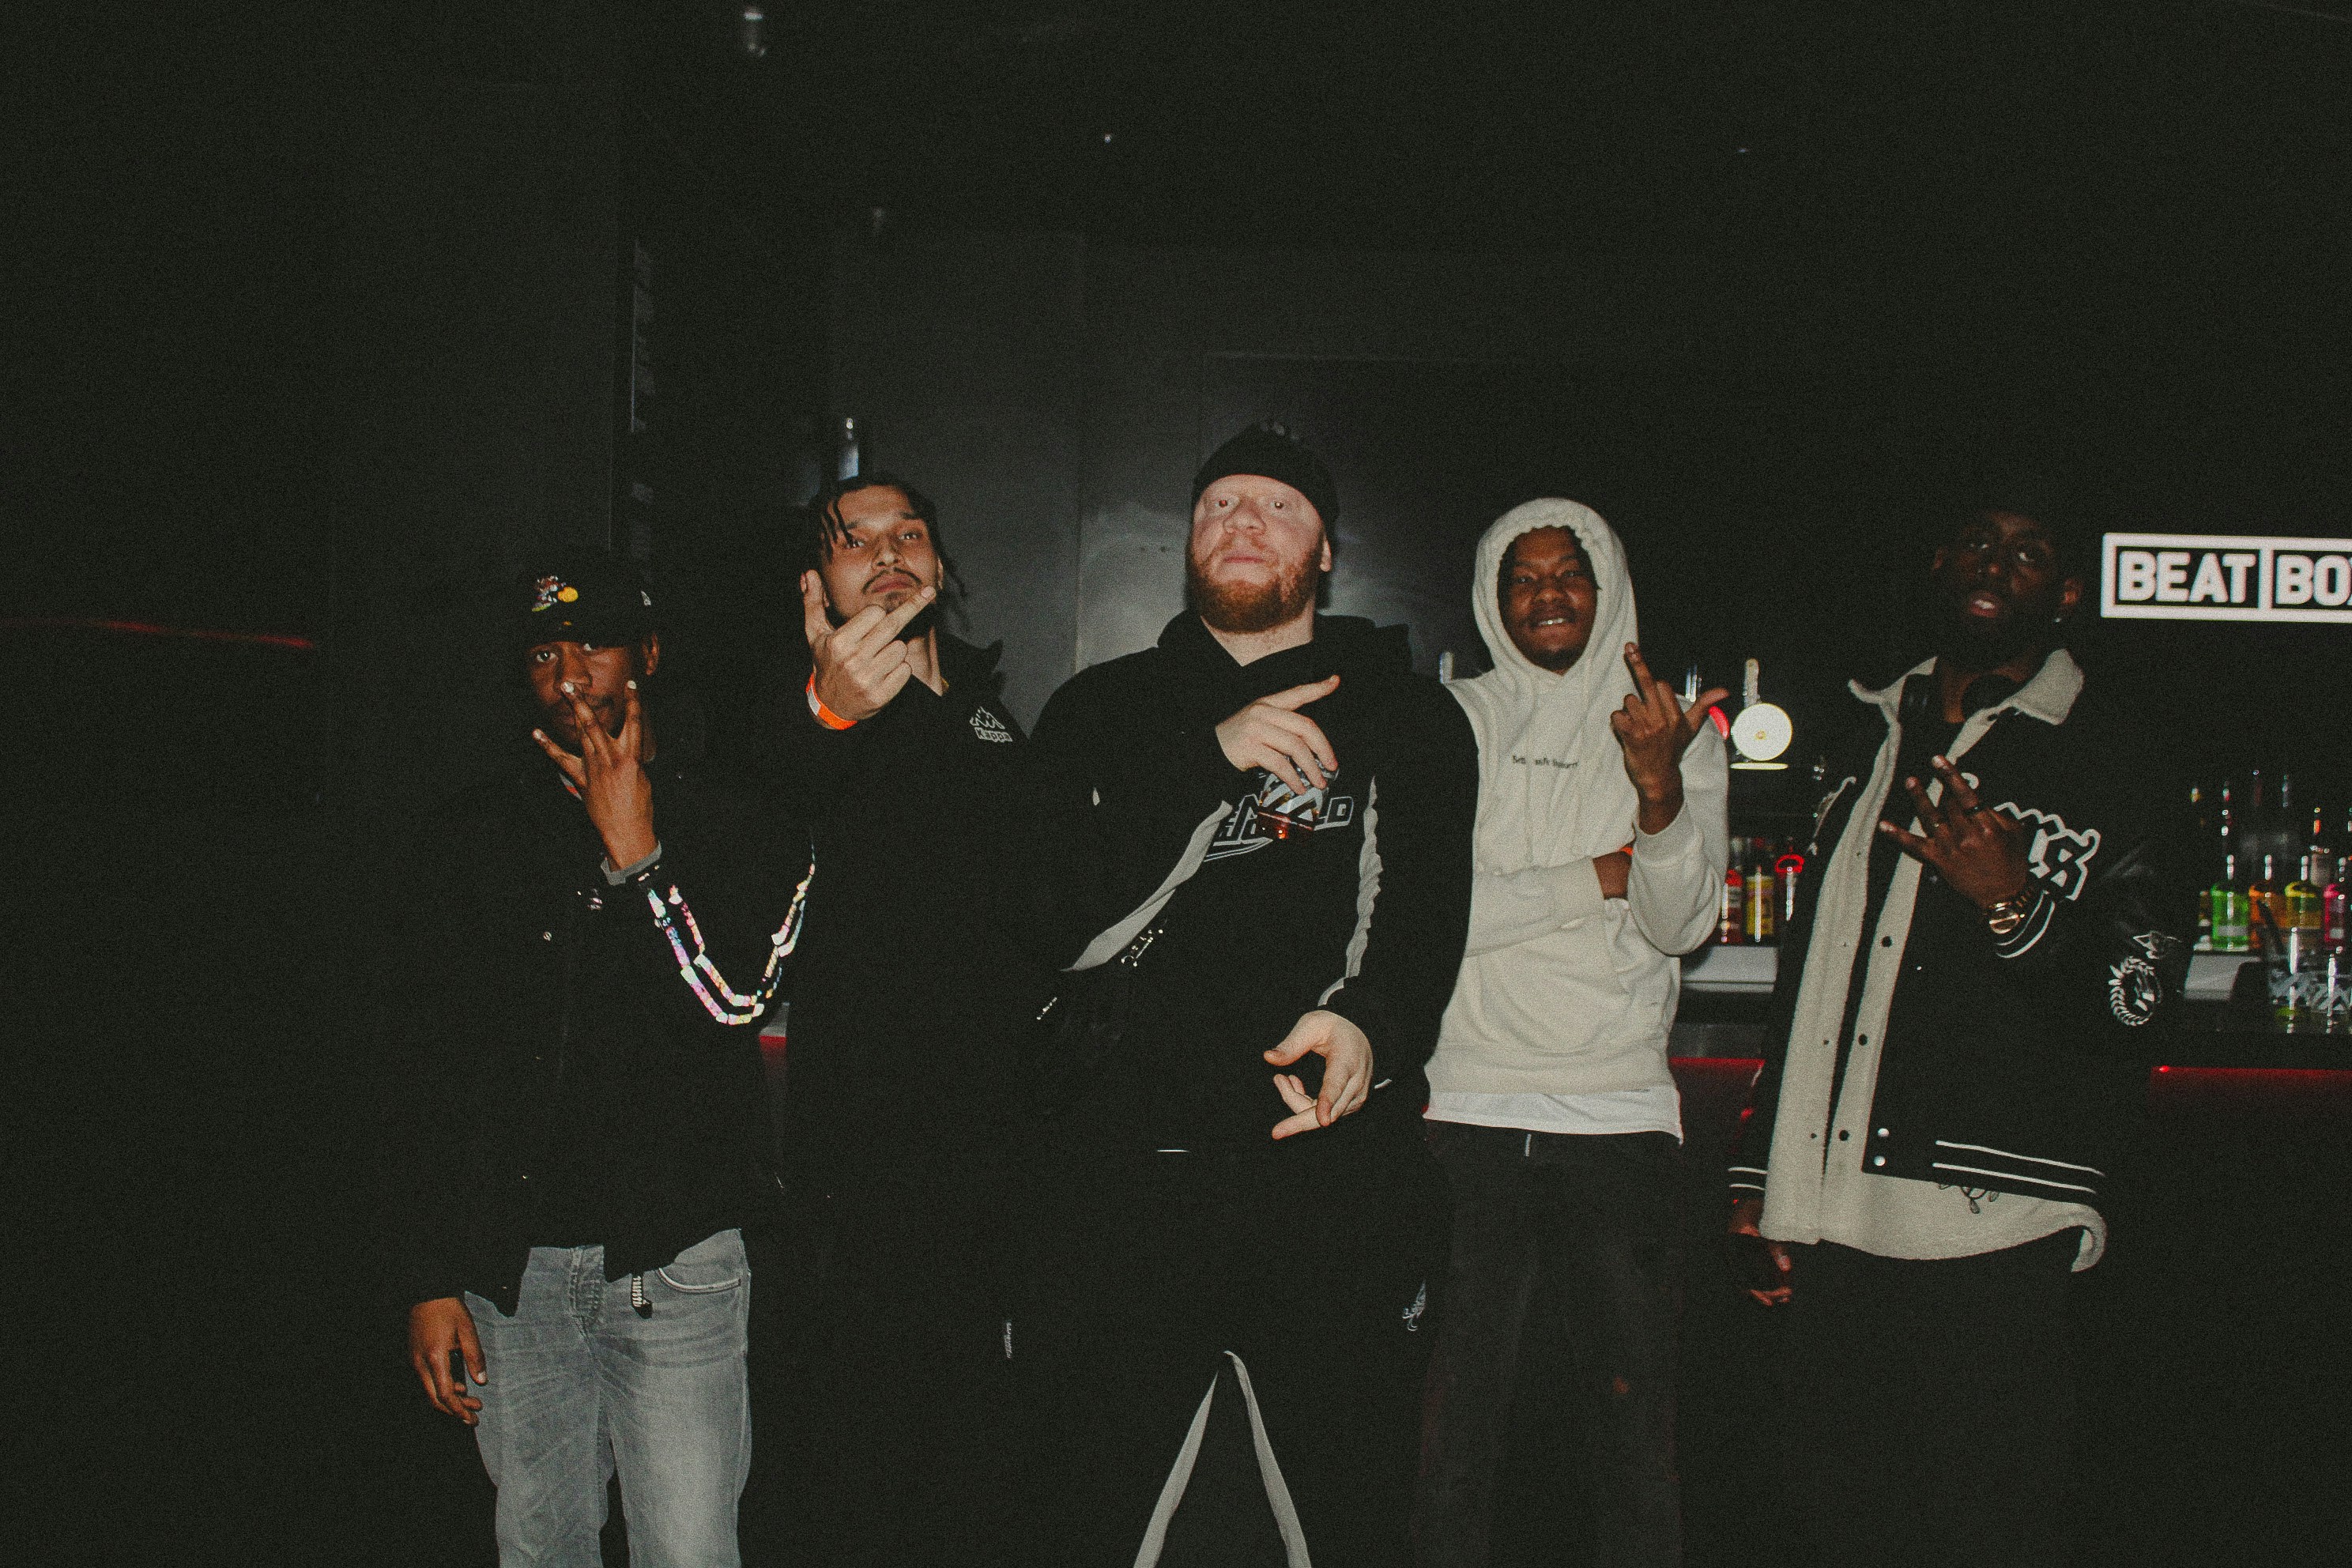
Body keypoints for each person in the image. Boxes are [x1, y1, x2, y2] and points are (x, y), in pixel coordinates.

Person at [1017, 423, 1481, 1565]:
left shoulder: (1407, 711)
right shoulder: (1100, 710)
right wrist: (1206, 760)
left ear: (1324, 551)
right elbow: (1047, 925)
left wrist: (1370, 1022)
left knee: (1349, 1510)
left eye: (1278, 507)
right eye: (1221, 503)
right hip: (1123, 1182)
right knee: (1083, 1513)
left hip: (1320, 1178)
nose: (1243, 524)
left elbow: (1424, 909)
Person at [1724, 494, 2188, 1566]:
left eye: (2032, 554)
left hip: (1995, 1221)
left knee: (1987, 1528)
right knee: (1841, 1522)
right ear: (1940, 564)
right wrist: (1762, 1171)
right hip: (1836, 1217)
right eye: (1980, 542)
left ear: (2068, 594)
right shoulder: (1869, 732)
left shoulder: (2116, 755)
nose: (1999, 563)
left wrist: (2014, 905)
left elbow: (2138, 999)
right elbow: (1816, 971)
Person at [401, 551, 810, 1568]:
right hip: (517, 1274)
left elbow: (733, 1009)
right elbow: (429, 1061)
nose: (572, 673)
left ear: (652, 654)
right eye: (546, 652)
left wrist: (640, 856)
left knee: (688, 1550)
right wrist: (429, 1272)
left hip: (674, 1265)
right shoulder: (476, 835)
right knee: (540, 1546)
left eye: (595, 644)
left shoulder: (731, 818)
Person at [738, 475, 1053, 1566]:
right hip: (860, 1170)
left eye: (908, 533)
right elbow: (755, 819)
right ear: (814, 585)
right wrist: (825, 715)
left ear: (943, 564)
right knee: (851, 1462)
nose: (887, 553)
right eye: (853, 541)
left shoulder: (990, 713)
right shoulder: (800, 722)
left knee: (974, 1459)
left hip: (995, 1155)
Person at [1412, 501, 1730, 1568]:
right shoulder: (1450, 723)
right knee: (1451, 1446)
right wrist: (1587, 879)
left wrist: (1657, 800)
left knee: (1632, 1451)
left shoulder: (1674, 730)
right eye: (1523, 578)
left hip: (1619, 1120)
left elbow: (1678, 923)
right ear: (1492, 600)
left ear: (1610, 589)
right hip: (1463, 1114)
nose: (1547, 594)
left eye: (1570, 574)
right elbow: (1429, 913)